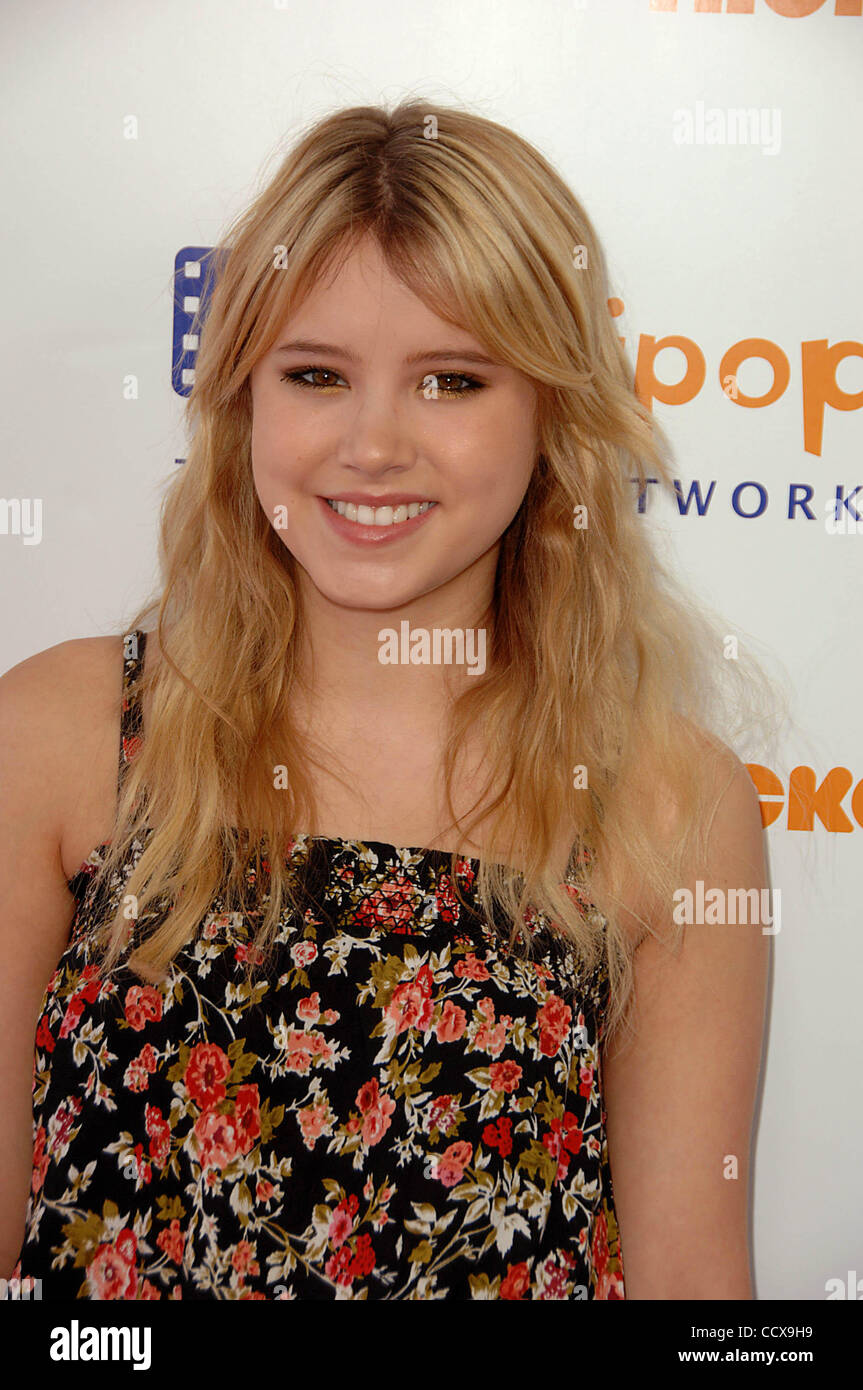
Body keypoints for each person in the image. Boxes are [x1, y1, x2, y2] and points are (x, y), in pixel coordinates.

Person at [0, 99, 776, 1300]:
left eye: (449, 381)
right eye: (316, 373)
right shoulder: (58, 733)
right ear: (244, 400)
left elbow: (692, 1285)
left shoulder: (665, 799)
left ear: (549, 416)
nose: (372, 444)